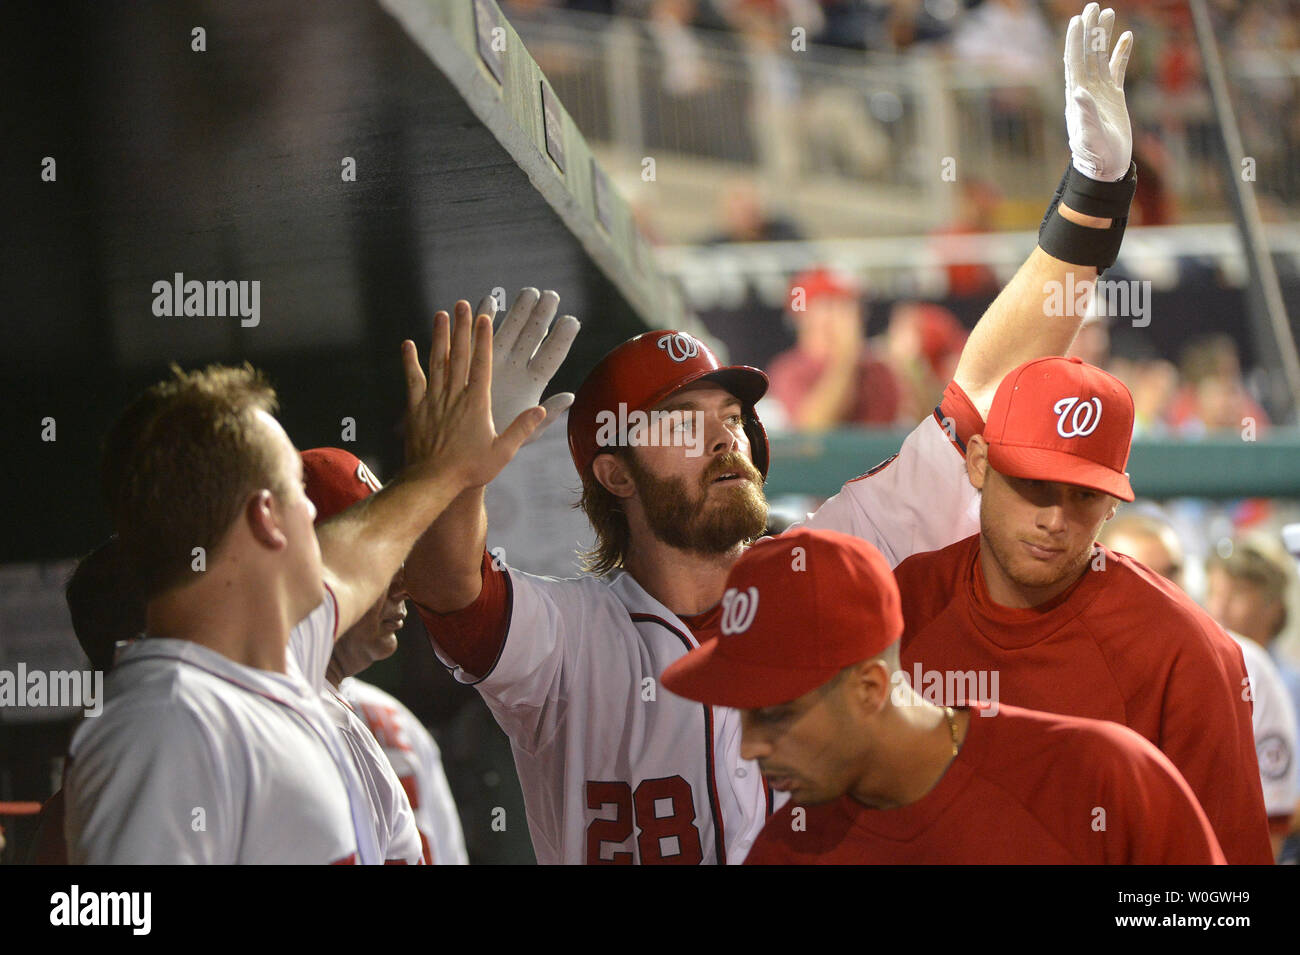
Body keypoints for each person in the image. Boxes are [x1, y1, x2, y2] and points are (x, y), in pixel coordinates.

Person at [409, 4, 1143, 864]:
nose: (724, 436)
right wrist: (457, 472)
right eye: (685, 421)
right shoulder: (572, 639)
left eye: (730, 415)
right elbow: (451, 589)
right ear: (613, 472)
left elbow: (975, 397)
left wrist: (1093, 192)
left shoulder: (830, 565)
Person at [64, 315, 543, 863]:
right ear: (267, 517)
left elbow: (358, 555)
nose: (316, 513)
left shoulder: (282, 661)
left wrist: (449, 473)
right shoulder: (169, 719)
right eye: (298, 490)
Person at [892, 356, 1272, 864]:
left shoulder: (1187, 652)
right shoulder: (902, 602)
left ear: (1113, 502)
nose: (1055, 519)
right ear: (979, 463)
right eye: (1032, 483)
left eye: (1084, 495)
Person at [658, 528, 1226, 864]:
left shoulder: (1099, 774)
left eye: (776, 715)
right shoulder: (785, 851)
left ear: (870, 688)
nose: (750, 747)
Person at [302, 447, 469, 865]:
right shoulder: (230, 713)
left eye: (401, 557)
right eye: (376, 559)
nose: (403, 586)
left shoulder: (392, 724)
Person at [1100, 514, 1298, 856]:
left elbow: (1268, 825)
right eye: (1136, 570)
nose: (1157, 585)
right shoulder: (1070, 660)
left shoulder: (1242, 662)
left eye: (1170, 571)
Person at [765, 268, 904, 429]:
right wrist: (846, 356)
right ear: (805, 315)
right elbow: (813, 428)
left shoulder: (878, 369)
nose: (845, 316)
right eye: (830, 305)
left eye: (849, 305)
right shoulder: (789, 370)